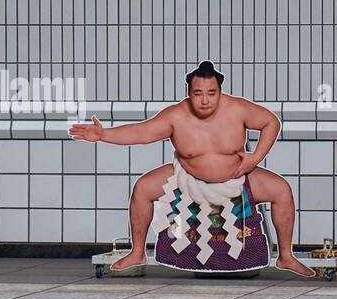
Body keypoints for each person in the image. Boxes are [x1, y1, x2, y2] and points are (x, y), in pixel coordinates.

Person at [69, 61, 315, 276]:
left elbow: (271, 122)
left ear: (220, 91)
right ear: (188, 92)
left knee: (281, 190)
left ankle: (285, 256)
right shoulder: (176, 115)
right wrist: (103, 134)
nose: (205, 100)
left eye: (212, 93)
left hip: (237, 176)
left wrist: (255, 158)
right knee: (143, 188)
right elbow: (142, 132)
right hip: (186, 178)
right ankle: (138, 253)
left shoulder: (238, 109)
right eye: (198, 94)